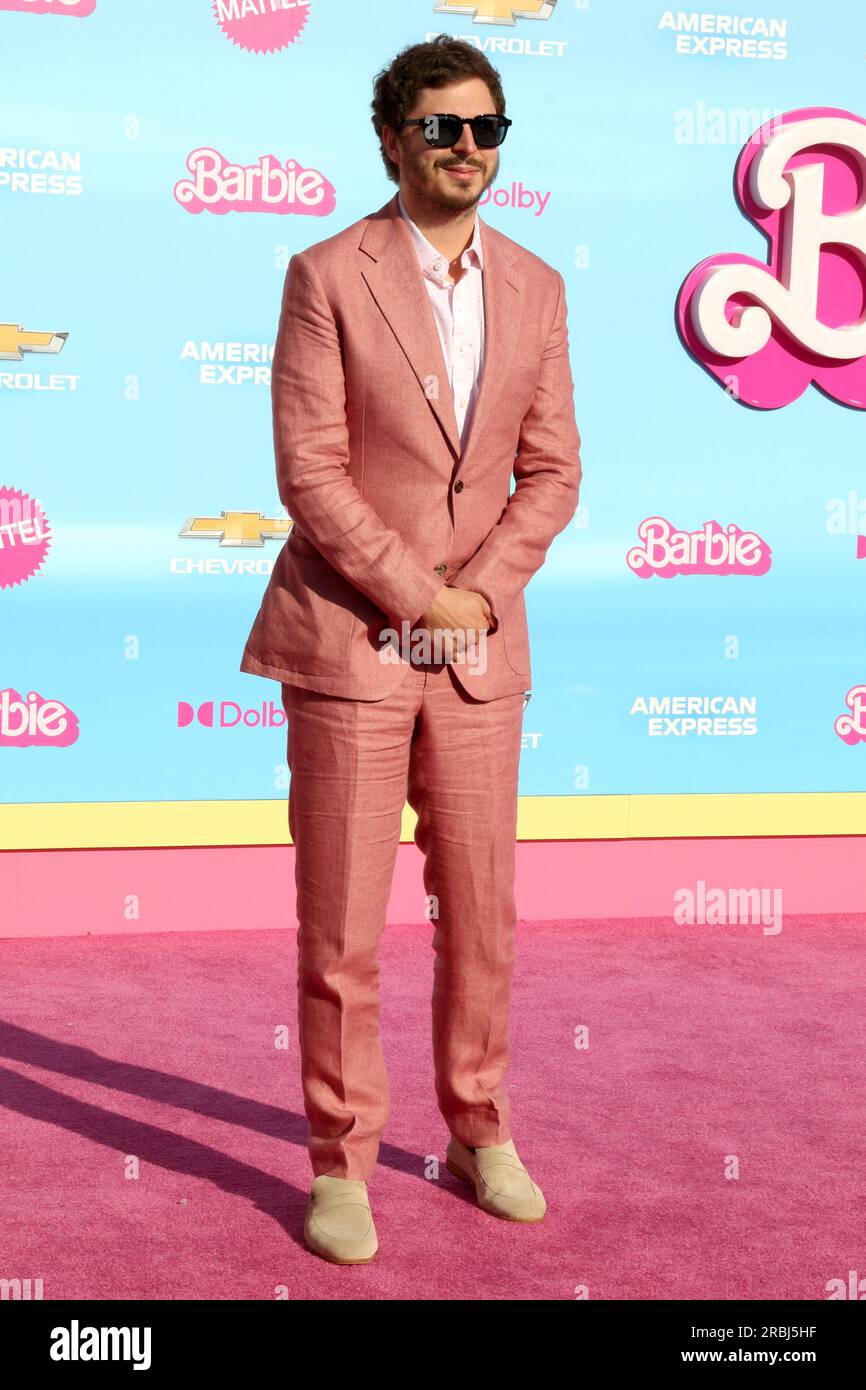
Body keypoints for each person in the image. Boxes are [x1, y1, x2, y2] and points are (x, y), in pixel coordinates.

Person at [240, 33, 582, 1264]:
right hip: (349, 640)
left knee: (480, 912)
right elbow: (311, 472)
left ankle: (479, 1128)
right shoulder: (326, 273)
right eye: (440, 128)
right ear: (392, 137)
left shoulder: (537, 286)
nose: (466, 150)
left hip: (481, 646)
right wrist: (410, 592)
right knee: (340, 925)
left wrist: (476, 594)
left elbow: (551, 472)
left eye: (485, 129)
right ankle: (340, 1160)